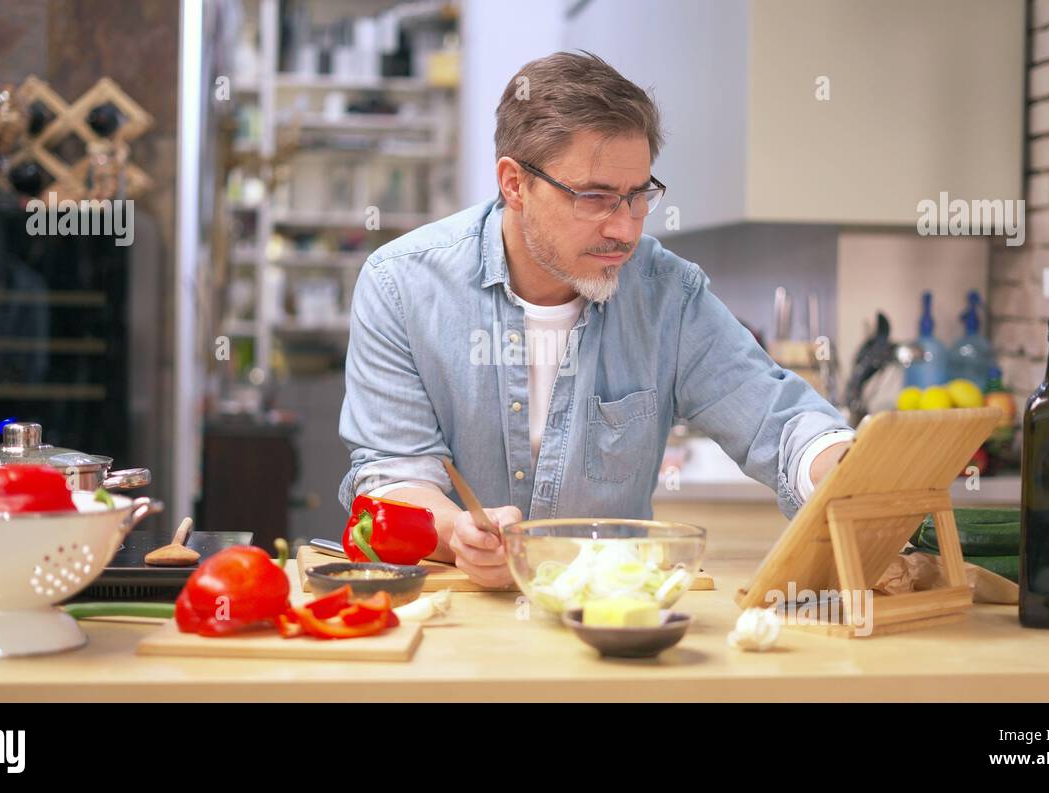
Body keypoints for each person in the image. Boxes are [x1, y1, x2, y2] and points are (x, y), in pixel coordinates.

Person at [339, 51, 853, 586]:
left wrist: (841, 464)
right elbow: (395, 471)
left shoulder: (667, 294)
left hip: (614, 620)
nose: (626, 230)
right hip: (452, 615)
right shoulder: (401, 284)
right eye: (595, 198)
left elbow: (774, 417)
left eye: (638, 197)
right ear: (514, 184)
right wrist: (456, 532)